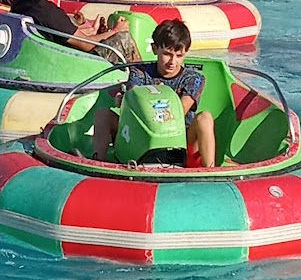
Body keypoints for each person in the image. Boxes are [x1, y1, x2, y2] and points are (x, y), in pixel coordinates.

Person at [93, 17, 217, 168]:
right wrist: (125, 100)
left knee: (205, 118)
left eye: (179, 56)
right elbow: (133, 96)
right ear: (154, 49)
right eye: (167, 54)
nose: (173, 62)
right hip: (140, 131)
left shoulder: (194, 79)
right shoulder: (140, 72)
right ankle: (98, 163)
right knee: (103, 114)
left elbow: (179, 112)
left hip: (178, 136)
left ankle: (209, 169)